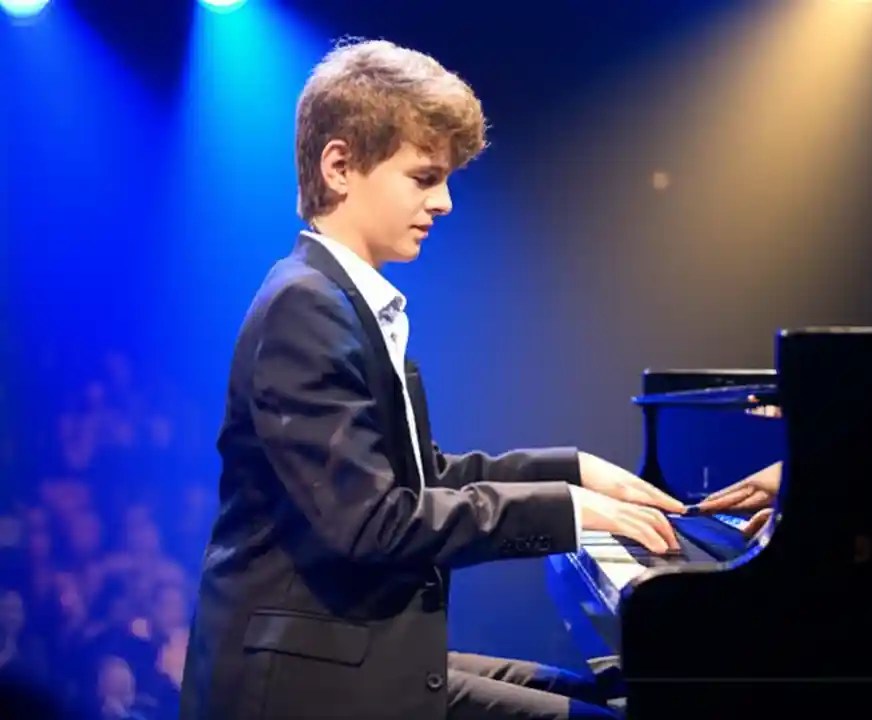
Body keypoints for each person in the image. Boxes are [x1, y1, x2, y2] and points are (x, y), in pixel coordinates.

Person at [179, 38, 686, 720]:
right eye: (425, 178)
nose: (445, 202)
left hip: (353, 655)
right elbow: (375, 524)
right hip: (305, 686)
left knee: (599, 700)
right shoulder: (305, 307)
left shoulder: (344, 299)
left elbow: (425, 477)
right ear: (340, 166)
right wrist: (567, 514)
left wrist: (577, 472)